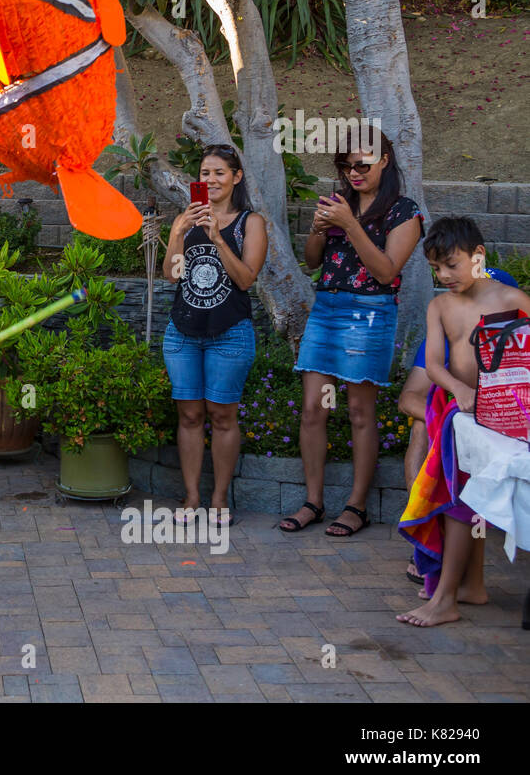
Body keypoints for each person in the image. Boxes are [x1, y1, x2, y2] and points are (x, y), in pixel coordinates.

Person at [280, 127, 423, 537]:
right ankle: (314, 502)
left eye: (362, 164)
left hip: (369, 313)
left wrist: (350, 223)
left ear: (384, 161)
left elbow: (385, 270)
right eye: (345, 165)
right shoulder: (338, 202)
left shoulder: (403, 211)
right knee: (313, 408)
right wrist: (320, 228)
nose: (353, 172)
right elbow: (311, 261)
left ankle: (356, 507)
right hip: (327, 308)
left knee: (360, 411)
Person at [397, 217, 530, 627]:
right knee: (458, 500)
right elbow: (434, 364)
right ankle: (451, 595)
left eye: (451, 265)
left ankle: (465, 589)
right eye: (436, 268)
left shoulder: (515, 300)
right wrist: (459, 389)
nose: (444, 276)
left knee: (470, 501)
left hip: (509, 413)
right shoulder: (441, 305)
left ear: (478, 256)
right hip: (459, 413)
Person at [162, 144, 268, 526]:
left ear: (236, 177)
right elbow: (172, 274)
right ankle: (192, 498)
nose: (211, 180)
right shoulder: (186, 219)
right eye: (205, 173)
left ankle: (220, 500)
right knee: (189, 415)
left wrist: (217, 238)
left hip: (229, 333)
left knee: (223, 416)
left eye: (220, 173)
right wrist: (178, 230)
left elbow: (245, 279)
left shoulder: (250, 222)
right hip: (183, 332)